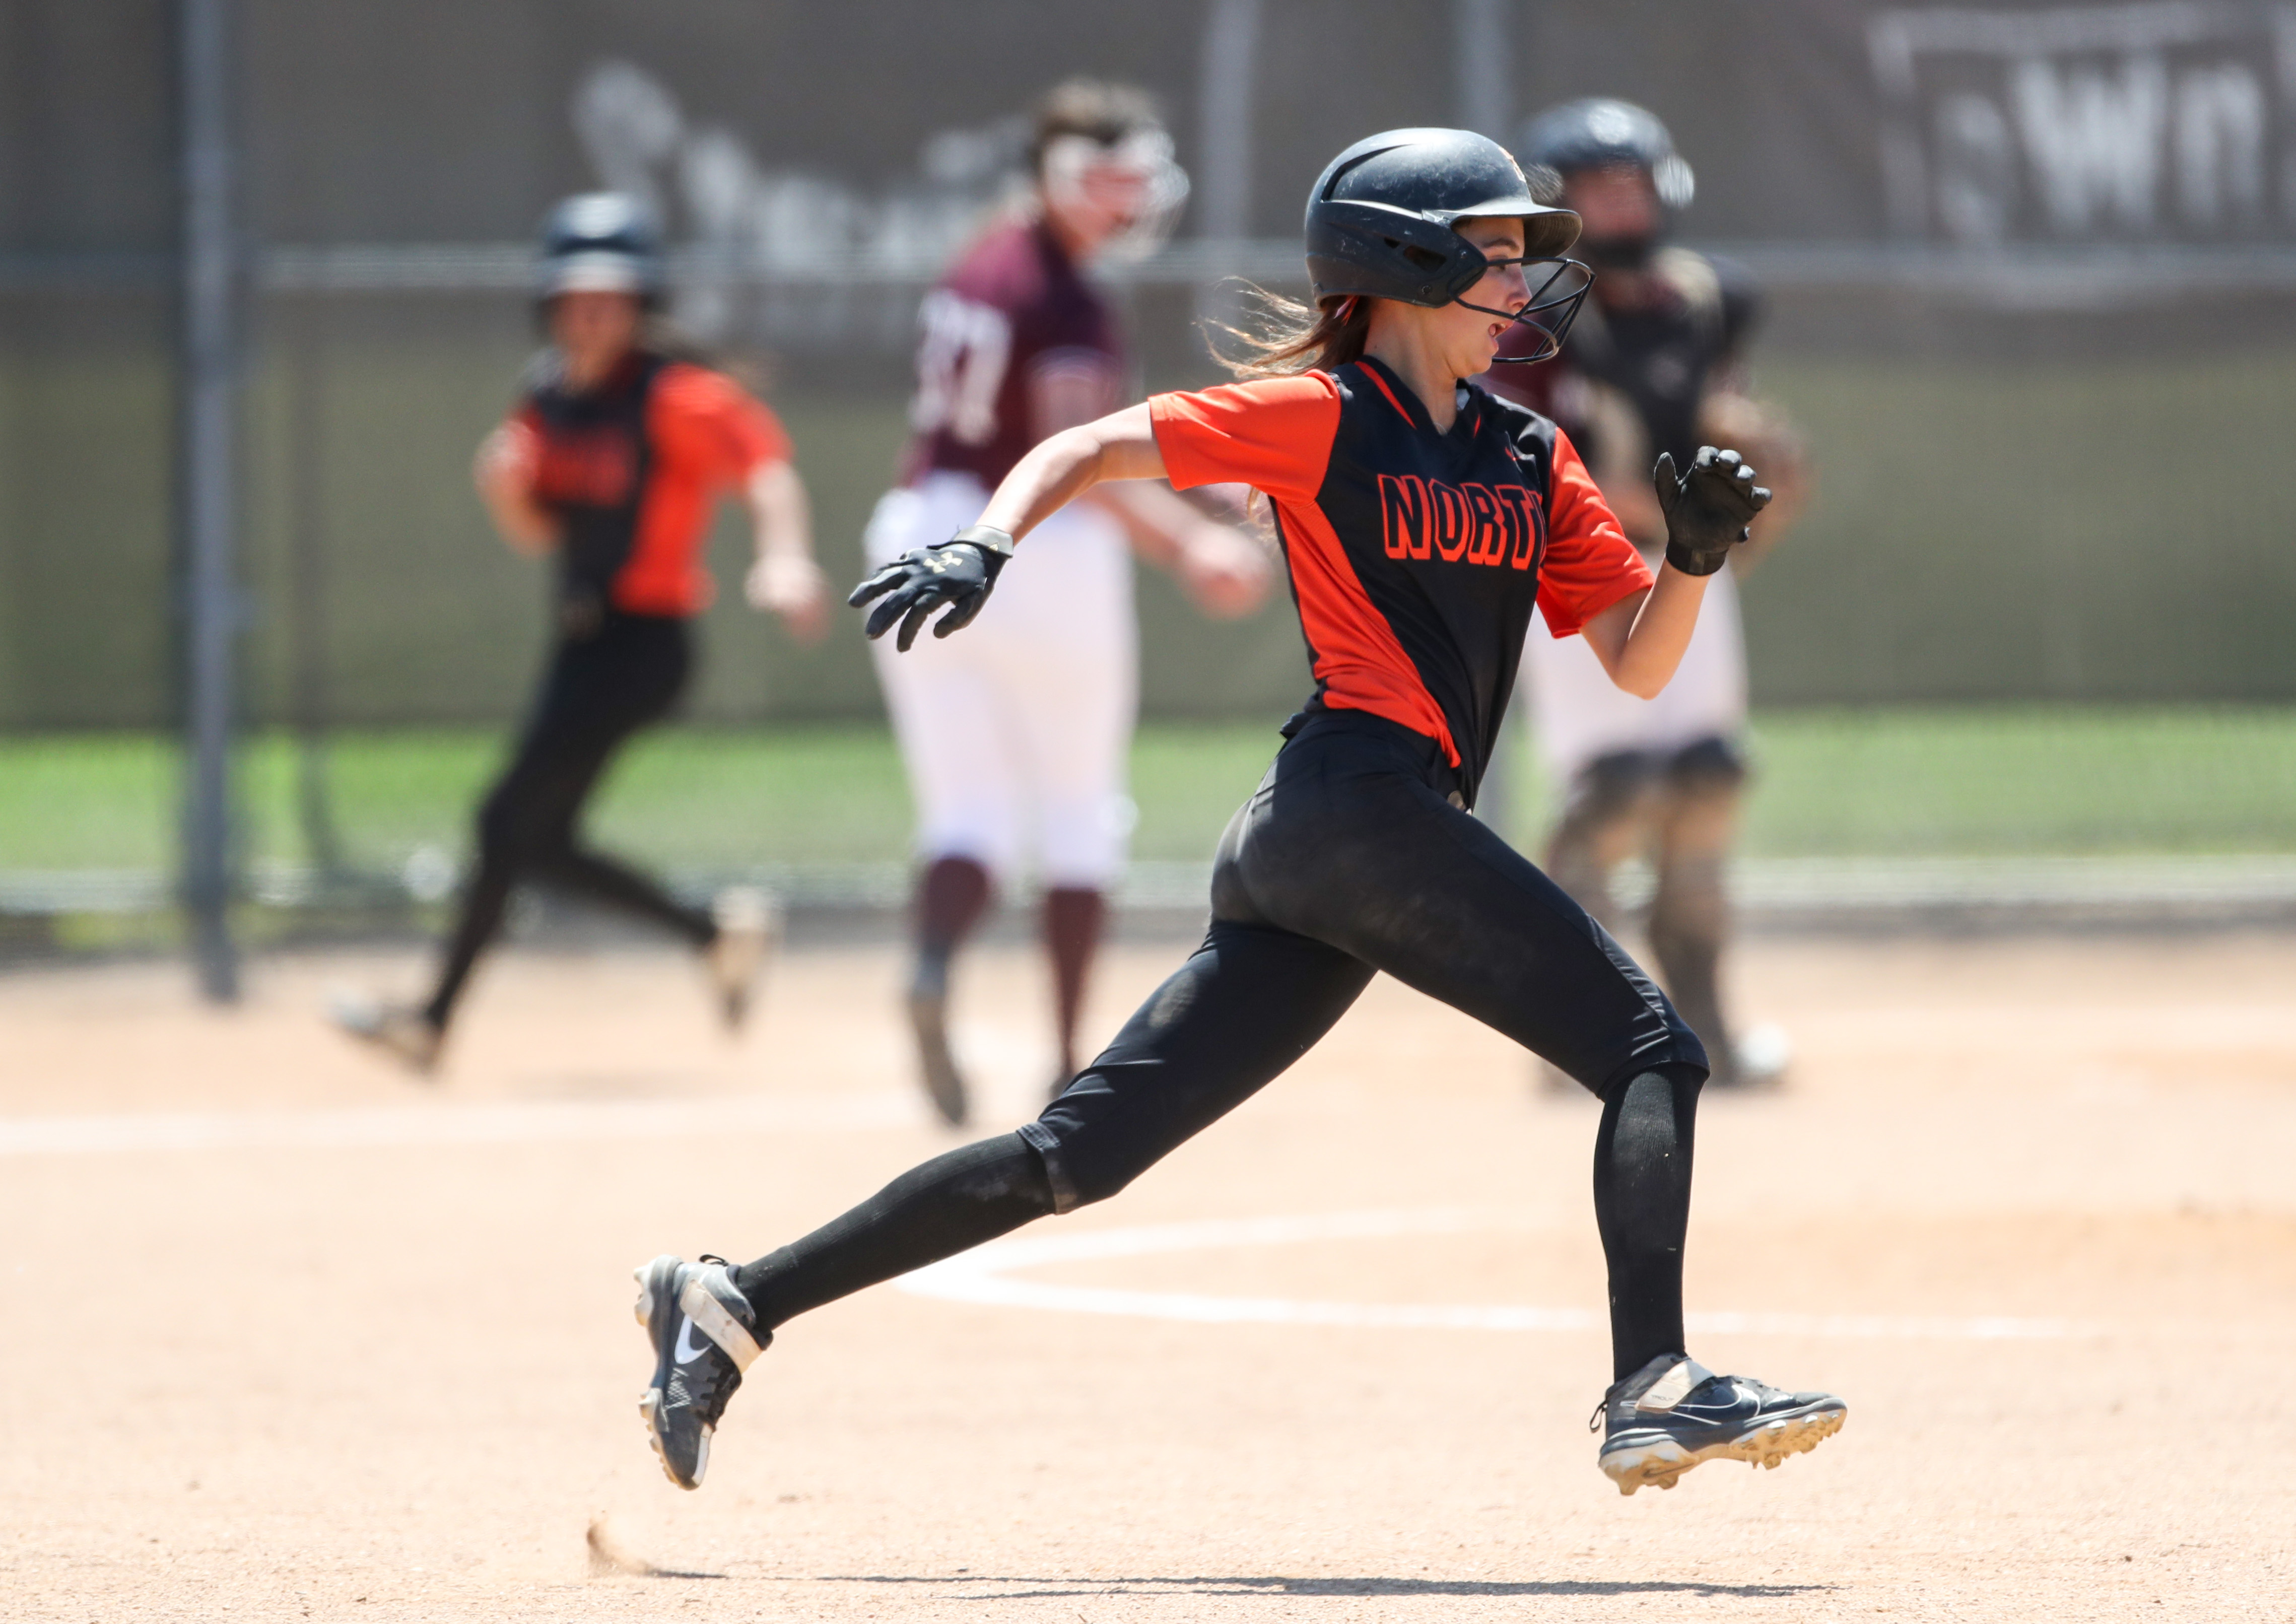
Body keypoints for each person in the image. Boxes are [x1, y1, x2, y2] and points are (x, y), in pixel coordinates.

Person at [631, 129, 1845, 1500]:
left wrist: (1689, 558)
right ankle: (1654, 1386)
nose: (1520, 280)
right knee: (1650, 1050)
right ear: (1404, 260)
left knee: (1072, 1158)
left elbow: (1631, 655)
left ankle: (733, 1300)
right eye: (1491, 253)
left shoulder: (1528, 453)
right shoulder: (1326, 414)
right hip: (1354, 804)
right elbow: (1091, 444)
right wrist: (986, 542)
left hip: (1329, 838)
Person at [332, 193, 830, 1074]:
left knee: (501, 821)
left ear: (643, 306)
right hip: (581, 642)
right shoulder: (548, 395)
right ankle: (715, 934)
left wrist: (784, 558)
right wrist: (506, 495)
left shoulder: (672, 396)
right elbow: (543, 535)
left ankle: (434, 1022)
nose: (591, 315)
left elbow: (765, 465)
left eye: (611, 297)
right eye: (574, 297)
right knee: (536, 841)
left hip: (644, 646)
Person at [865, 80, 1271, 1126]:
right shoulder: (1064, 296)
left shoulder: (983, 258)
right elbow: (1072, 462)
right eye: (1109, 184)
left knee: (967, 813)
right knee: (1079, 810)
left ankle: (929, 962)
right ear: (1060, 181)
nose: (1128, 205)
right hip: (1022, 549)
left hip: (914, 529)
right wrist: (1191, 546)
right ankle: (1064, 1059)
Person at [1492, 100, 1811, 1090]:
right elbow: (1534, 467)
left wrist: (1742, 483)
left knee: (1707, 774)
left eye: (1631, 184)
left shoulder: (1705, 297)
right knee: (1616, 788)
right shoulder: (1530, 320)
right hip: (1575, 570)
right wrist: (1672, 504)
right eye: (1597, 190)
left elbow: (1719, 402)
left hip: (1684, 563)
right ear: (1555, 206)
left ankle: (1706, 1020)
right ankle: (1578, 1031)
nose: (1621, 206)